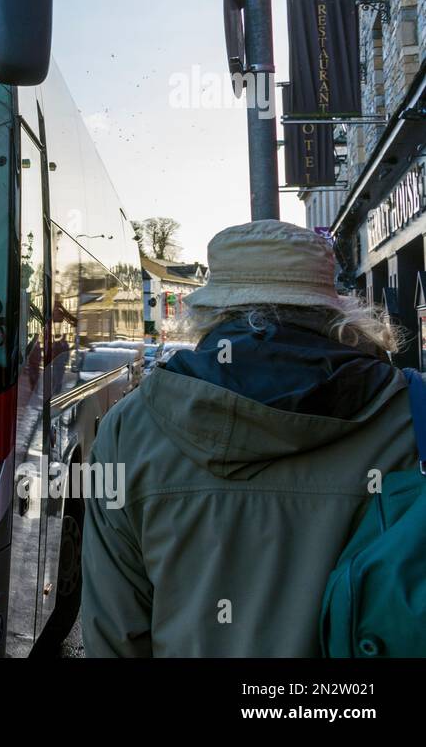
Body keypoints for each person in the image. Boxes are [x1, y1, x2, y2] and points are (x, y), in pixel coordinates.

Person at [81, 220, 419, 657]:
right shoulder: (410, 415)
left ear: (210, 312)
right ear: (337, 312)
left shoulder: (130, 428)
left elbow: (114, 628)